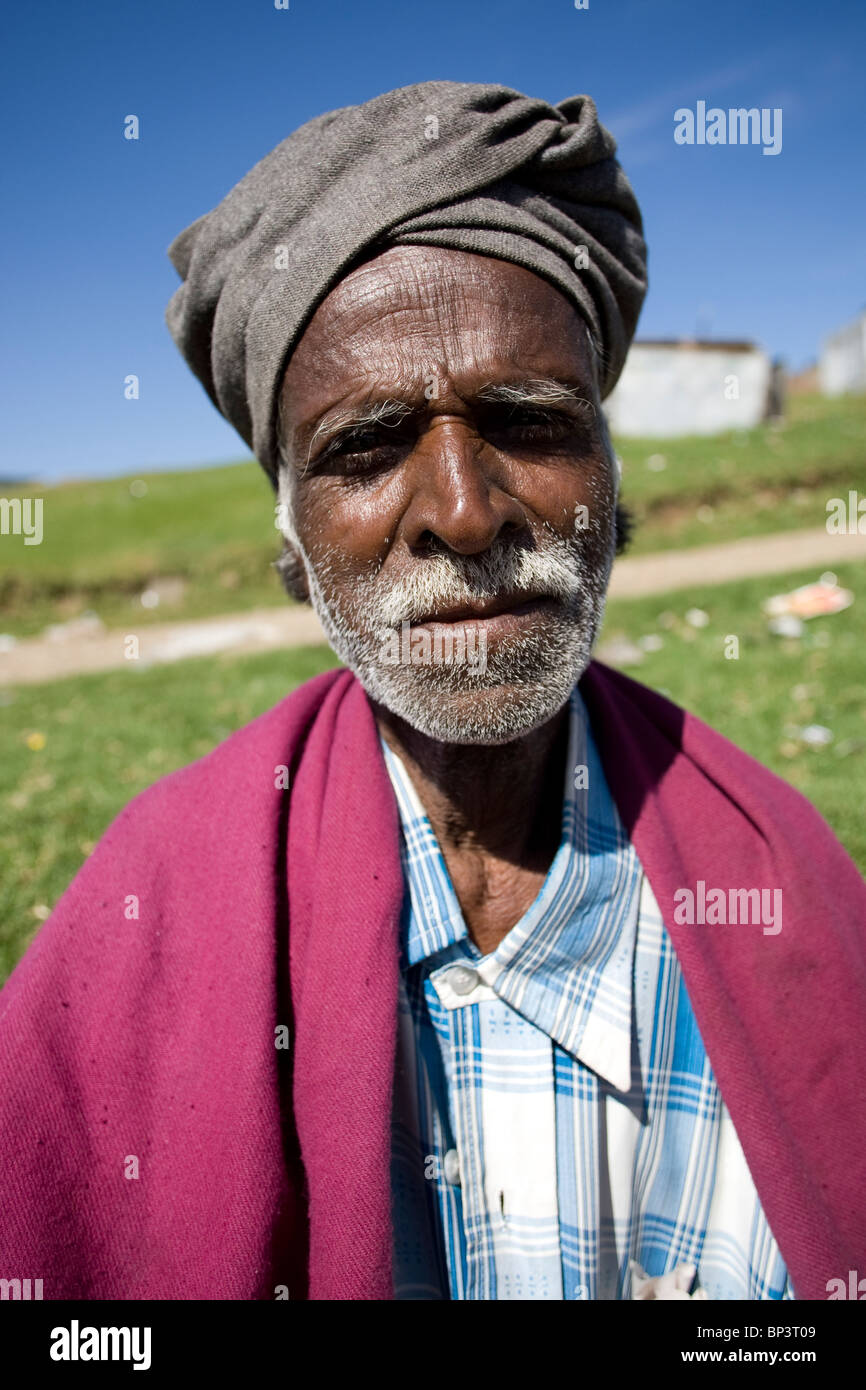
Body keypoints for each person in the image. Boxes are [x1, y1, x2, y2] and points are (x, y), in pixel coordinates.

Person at [1, 81, 864, 1302]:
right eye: (364, 447)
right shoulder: (159, 897)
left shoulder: (777, 874)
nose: (464, 513)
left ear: (610, 501)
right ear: (293, 553)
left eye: (525, 419)